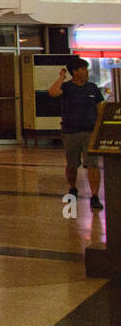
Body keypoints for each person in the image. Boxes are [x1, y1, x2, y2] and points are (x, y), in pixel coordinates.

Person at [48, 56, 105, 210]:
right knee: (72, 164)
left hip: (90, 132)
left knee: (92, 164)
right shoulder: (66, 87)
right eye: (83, 69)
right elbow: (53, 92)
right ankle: (72, 188)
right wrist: (61, 77)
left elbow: (100, 109)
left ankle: (94, 196)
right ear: (75, 72)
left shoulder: (93, 88)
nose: (86, 72)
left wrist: (100, 129)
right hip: (70, 132)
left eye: (86, 69)